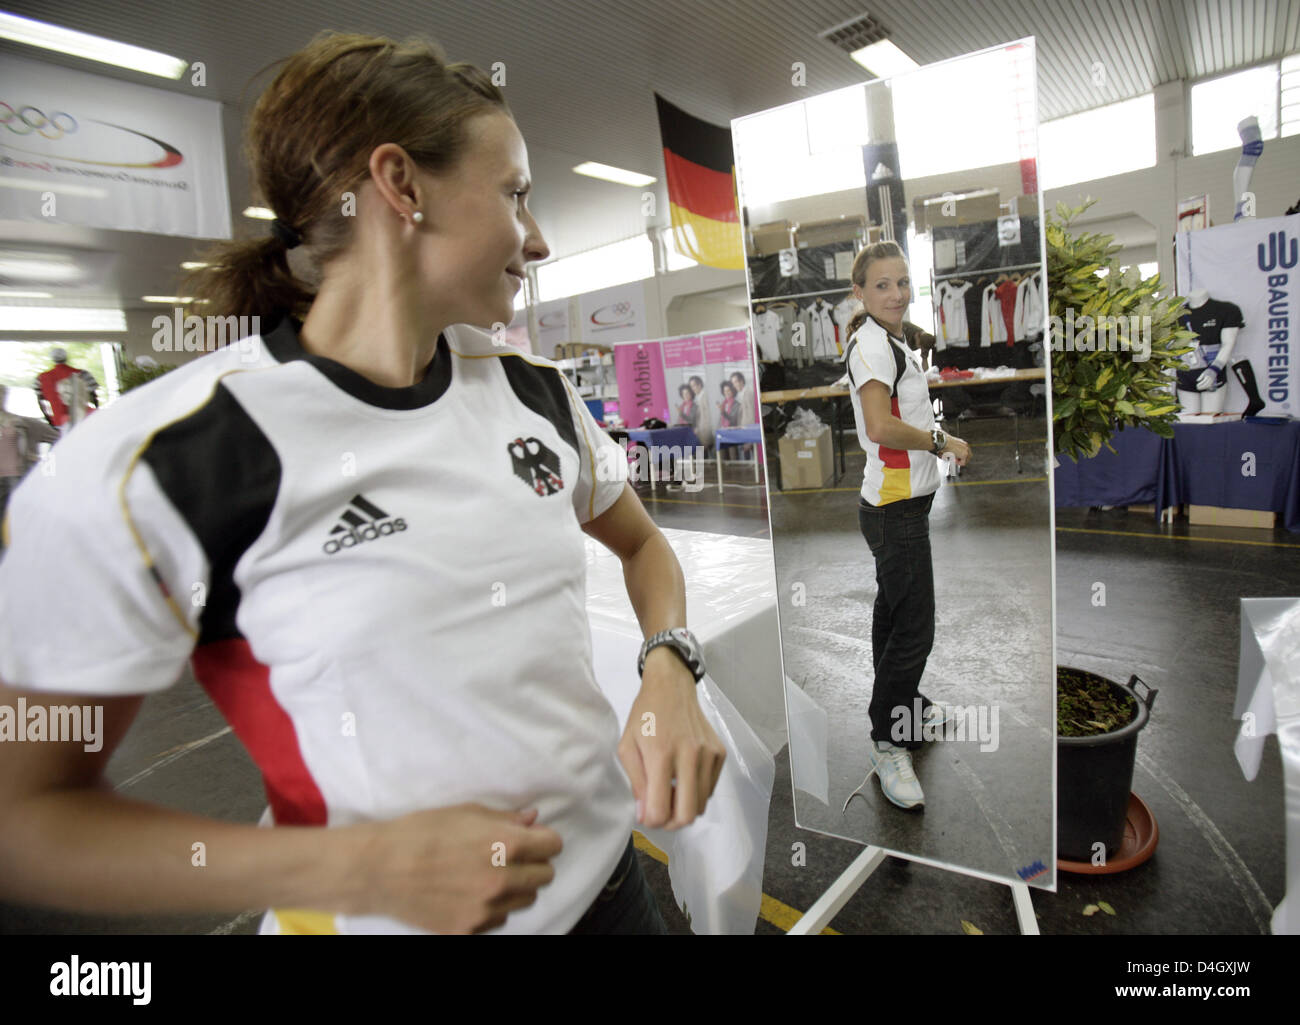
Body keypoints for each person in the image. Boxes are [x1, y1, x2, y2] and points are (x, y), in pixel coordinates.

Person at [0, 30, 726, 936]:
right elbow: (24, 818)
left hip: (614, 900)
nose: (537, 239)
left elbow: (644, 544)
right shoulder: (170, 460)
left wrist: (670, 667)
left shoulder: (533, 391)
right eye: (515, 195)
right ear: (401, 185)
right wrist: (362, 867)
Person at [842, 240, 971, 811]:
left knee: (893, 616)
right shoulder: (873, 345)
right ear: (860, 292)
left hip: (899, 505)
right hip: (895, 511)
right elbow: (880, 427)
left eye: (901, 282)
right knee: (915, 628)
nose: (895, 294)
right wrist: (942, 442)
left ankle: (906, 711)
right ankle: (887, 741)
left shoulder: (892, 340)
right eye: (882, 285)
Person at [35, 348, 98, 436]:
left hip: (58, 422)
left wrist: (49, 419)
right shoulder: (83, 374)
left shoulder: (41, 378)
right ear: (66, 357)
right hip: (84, 418)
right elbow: (93, 396)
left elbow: (41, 401)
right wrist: (96, 410)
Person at [0, 385, 29, 551]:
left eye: (2, 395)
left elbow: (24, 447)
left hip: (15, 473)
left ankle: (15, 548)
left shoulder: (16, 421)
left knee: (14, 513)